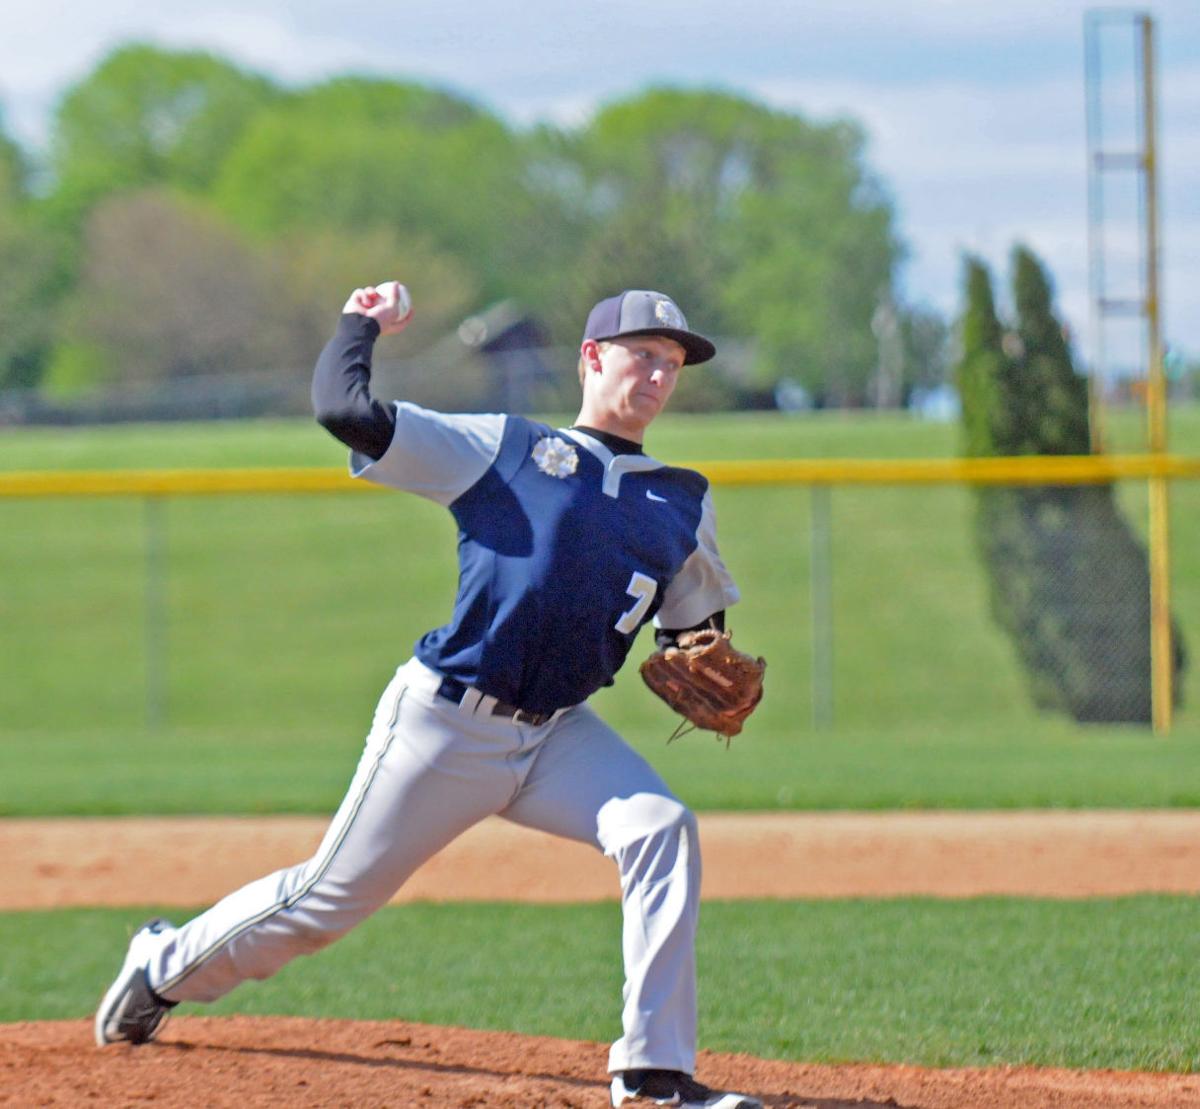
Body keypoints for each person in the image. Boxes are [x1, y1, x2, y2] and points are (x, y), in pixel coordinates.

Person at [95, 283, 763, 1109]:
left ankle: (652, 1076)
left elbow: (693, 627)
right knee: (322, 903)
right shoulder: (507, 449)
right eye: (643, 355)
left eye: (673, 363)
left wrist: (698, 654)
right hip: (446, 723)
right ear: (591, 358)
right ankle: (160, 964)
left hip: (557, 735)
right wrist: (360, 324)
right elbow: (345, 410)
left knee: (661, 827)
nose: (659, 375)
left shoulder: (682, 498)